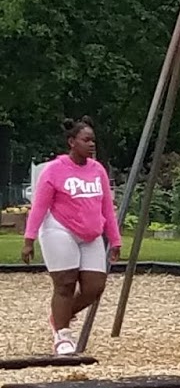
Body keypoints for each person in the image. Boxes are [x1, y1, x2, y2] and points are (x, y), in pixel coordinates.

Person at [21, 119, 122, 355]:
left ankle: (60, 316)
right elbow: (39, 207)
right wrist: (29, 239)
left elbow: (107, 206)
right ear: (71, 142)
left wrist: (114, 239)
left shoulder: (97, 170)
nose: (91, 145)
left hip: (91, 233)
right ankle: (62, 335)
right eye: (86, 140)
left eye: (93, 140)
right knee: (65, 283)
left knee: (95, 286)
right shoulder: (55, 170)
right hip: (60, 229)